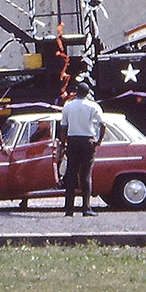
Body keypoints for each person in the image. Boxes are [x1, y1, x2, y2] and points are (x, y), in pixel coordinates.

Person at [57, 81, 105, 216]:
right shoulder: (92, 106)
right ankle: (86, 208)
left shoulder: (68, 106)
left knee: (71, 174)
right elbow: (102, 124)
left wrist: (63, 143)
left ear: (76, 92)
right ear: (88, 93)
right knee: (86, 175)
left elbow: (63, 127)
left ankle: (69, 209)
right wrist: (98, 140)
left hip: (72, 140)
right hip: (87, 140)